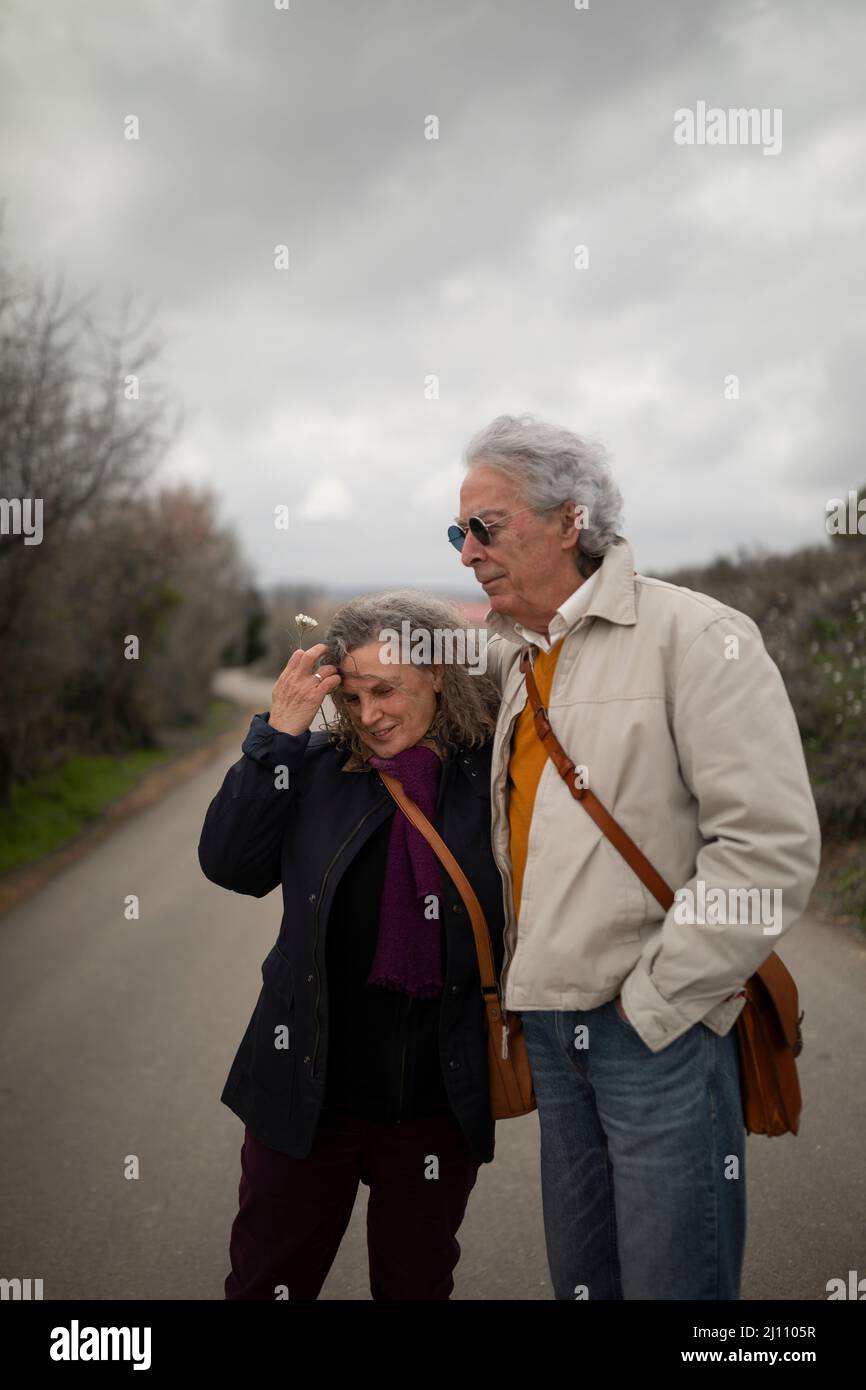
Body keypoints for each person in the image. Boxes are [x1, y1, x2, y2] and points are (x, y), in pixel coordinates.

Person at [448, 412, 822, 1300]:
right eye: (457, 532)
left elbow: (767, 850)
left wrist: (658, 1000)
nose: (467, 550)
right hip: (553, 1030)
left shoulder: (696, 637)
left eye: (486, 527)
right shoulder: (517, 662)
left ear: (570, 520)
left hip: (655, 1035)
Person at [198, 590, 504, 1300]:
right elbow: (230, 864)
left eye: (388, 690)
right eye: (356, 695)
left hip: (435, 1104)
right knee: (268, 1281)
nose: (370, 716)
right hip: (304, 1094)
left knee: (416, 1284)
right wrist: (276, 734)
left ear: (437, 675)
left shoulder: (490, 776)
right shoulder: (310, 768)